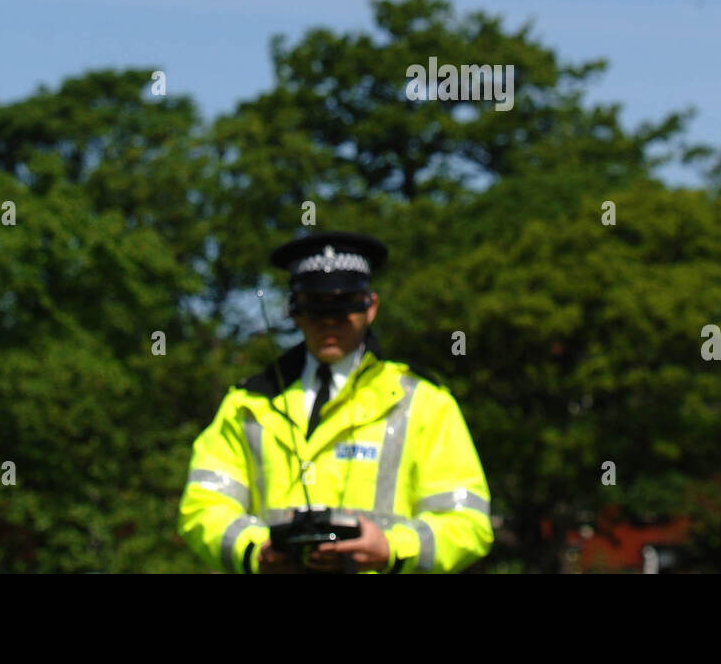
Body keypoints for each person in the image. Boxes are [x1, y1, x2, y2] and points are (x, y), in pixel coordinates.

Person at [178, 231, 492, 574]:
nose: (329, 322)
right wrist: (255, 550)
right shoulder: (247, 404)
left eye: (343, 307)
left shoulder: (424, 402)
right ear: (293, 311)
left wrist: (393, 549)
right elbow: (203, 505)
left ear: (371, 307)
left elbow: (468, 521)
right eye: (315, 307)